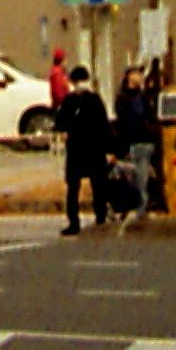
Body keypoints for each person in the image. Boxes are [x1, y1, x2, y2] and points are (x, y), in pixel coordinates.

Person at [60, 68, 113, 233]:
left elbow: (61, 123)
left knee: (75, 187)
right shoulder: (94, 100)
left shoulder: (71, 100)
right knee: (97, 184)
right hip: (93, 149)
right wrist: (110, 149)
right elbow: (105, 126)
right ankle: (100, 216)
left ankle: (75, 222)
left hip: (78, 149)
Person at [111, 68, 160, 217]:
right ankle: (139, 205)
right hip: (133, 141)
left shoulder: (143, 96)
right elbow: (125, 121)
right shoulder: (124, 98)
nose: (139, 77)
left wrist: (152, 129)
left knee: (142, 175)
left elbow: (150, 115)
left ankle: (143, 205)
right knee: (137, 175)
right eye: (136, 74)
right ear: (129, 77)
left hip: (145, 141)